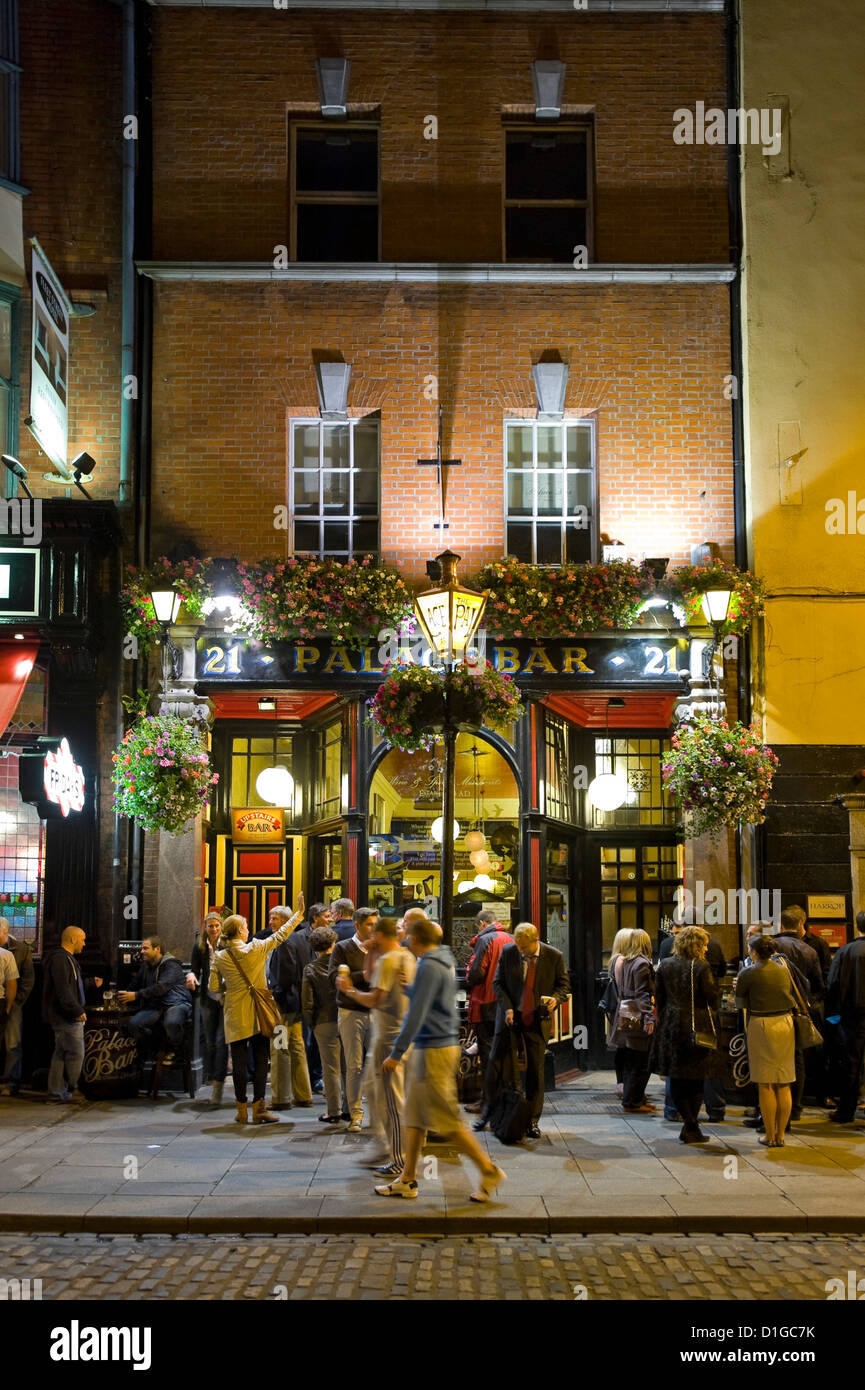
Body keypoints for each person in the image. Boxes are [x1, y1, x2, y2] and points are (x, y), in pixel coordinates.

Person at [375, 915, 506, 1203]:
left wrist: (396, 1053)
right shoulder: (441, 961)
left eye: (408, 936)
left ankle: (488, 1169)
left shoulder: (428, 965)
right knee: (415, 1116)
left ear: (417, 940)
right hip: (434, 1046)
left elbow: (416, 1014)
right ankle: (407, 1179)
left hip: (433, 1048)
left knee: (446, 1121)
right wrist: (411, 988)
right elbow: (431, 1001)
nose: (405, 940)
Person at [210, 894, 304, 1124]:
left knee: (239, 1061)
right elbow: (281, 935)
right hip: (260, 1011)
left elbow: (213, 986)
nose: (247, 929)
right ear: (241, 931)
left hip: (234, 1012)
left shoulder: (221, 956)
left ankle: (241, 1110)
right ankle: (259, 1108)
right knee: (262, 1058)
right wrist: (298, 914)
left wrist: (229, 988)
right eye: (245, 926)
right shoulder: (257, 948)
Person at [336, 916, 416, 1177]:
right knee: (374, 1090)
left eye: (374, 934)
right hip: (398, 1033)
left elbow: (374, 998)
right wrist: (371, 951)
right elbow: (373, 977)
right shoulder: (406, 956)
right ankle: (386, 1145)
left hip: (388, 1038)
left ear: (381, 935)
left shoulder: (389, 960)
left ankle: (399, 1161)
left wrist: (349, 990)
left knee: (391, 1101)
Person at [485, 921, 570, 1139]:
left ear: (535, 940)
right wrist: (508, 1008)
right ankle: (503, 1115)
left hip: (536, 1018)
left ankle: (532, 1120)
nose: (520, 952)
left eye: (524, 948)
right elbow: (498, 983)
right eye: (518, 947)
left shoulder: (554, 956)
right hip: (512, 1017)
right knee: (504, 1066)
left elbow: (563, 985)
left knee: (535, 1070)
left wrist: (555, 1000)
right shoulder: (509, 951)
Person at [652, 925, 723, 1144]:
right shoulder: (701, 966)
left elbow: (659, 997)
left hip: (671, 1025)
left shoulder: (664, 965)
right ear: (696, 945)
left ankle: (688, 1124)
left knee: (677, 1076)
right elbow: (712, 998)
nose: (705, 949)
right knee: (696, 1077)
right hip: (696, 1025)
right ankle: (692, 1125)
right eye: (703, 944)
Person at [735, 934, 796, 1146]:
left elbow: (739, 1002)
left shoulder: (748, 972)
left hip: (761, 1024)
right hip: (785, 1023)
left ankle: (769, 1134)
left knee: (765, 1082)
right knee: (783, 1080)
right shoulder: (782, 970)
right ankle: (781, 1135)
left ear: (754, 952)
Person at [330, 907, 378, 1132]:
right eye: (369, 924)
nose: (374, 928)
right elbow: (334, 978)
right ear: (358, 925)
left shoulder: (379, 948)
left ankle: (378, 1115)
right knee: (354, 1066)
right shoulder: (343, 948)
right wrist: (364, 976)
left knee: (379, 1064)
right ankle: (356, 1114)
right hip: (351, 1012)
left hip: (376, 1011)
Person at [464, 909, 514, 1121]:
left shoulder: (485, 939)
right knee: (503, 1056)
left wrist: (468, 979)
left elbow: (477, 972)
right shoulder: (511, 938)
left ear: (482, 924)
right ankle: (501, 1099)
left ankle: (487, 1102)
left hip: (486, 1003)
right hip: (507, 1006)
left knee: (487, 1057)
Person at [269, 902, 316, 1111]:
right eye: (270, 918)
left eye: (275, 919)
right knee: (297, 1046)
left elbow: (285, 976)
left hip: (284, 1006)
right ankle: (303, 1094)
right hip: (296, 1003)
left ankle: (280, 1097)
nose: (271, 922)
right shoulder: (300, 939)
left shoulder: (285, 941)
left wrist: (276, 998)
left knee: (280, 1049)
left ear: (286, 921)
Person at [120, 937, 194, 1063]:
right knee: (134, 1024)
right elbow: (135, 983)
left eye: (145, 948)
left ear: (157, 949)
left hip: (176, 1003)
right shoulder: (146, 965)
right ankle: (154, 1050)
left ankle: (178, 1052)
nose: (142, 951)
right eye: (142, 948)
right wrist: (123, 996)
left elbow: (161, 987)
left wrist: (136, 995)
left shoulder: (171, 964)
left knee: (171, 1023)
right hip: (157, 1005)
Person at [607, 928, 656, 1113]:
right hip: (637, 1014)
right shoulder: (642, 963)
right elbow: (642, 993)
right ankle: (632, 1102)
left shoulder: (626, 961)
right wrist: (649, 1017)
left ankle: (634, 1099)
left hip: (626, 1011)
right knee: (641, 1060)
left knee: (631, 1057)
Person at [825, 910, 865, 1124]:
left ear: (858, 927)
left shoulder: (846, 951)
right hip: (855, 1014)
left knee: (852, 1063)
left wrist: (833, 1014)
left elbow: (833, 984)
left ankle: (846, 1110)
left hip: (853, 1015)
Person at [302, 925, 344, 1123]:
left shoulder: (310, 969)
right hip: (346, 1018)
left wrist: (312, 1023)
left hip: (323, 1022)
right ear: (333, 943)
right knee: (350, 1067)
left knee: (330, 1068)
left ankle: (333, 1111)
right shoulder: (343, 965)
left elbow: (307, 1003)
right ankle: (351, 1108)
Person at [42, 926, 89, 1105]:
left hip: (64, 1014)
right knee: (76, 1053)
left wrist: (90, 983)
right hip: (66, 1016)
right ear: (72, 939)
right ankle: (72, 1089)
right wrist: (76, 1010)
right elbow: (63, 989)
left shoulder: (65, 959)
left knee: (60, 1053)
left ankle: (55, 1093)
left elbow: (71, 985)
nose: (84, 943)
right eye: (82, 939)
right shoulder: (61, 959)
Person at [187, 912, 228, 1107]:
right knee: (210, 1040)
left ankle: (218, 1084)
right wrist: (191, 976)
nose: (213, 929)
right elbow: (194, 968)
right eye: (210, 926)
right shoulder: (200, 946)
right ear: (205, 927)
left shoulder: (227, 944)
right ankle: (212, 1075)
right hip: (208, 997)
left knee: (221, 1041)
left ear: (221, 927)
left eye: (216, 926)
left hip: (226, 998)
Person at [0, 918, 34, 1097]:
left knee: (13, 1043)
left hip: (12, 1003)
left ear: (5, 932)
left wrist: (15, 1002)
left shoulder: (20, 949)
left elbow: (27, 980)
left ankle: (12, 1081)